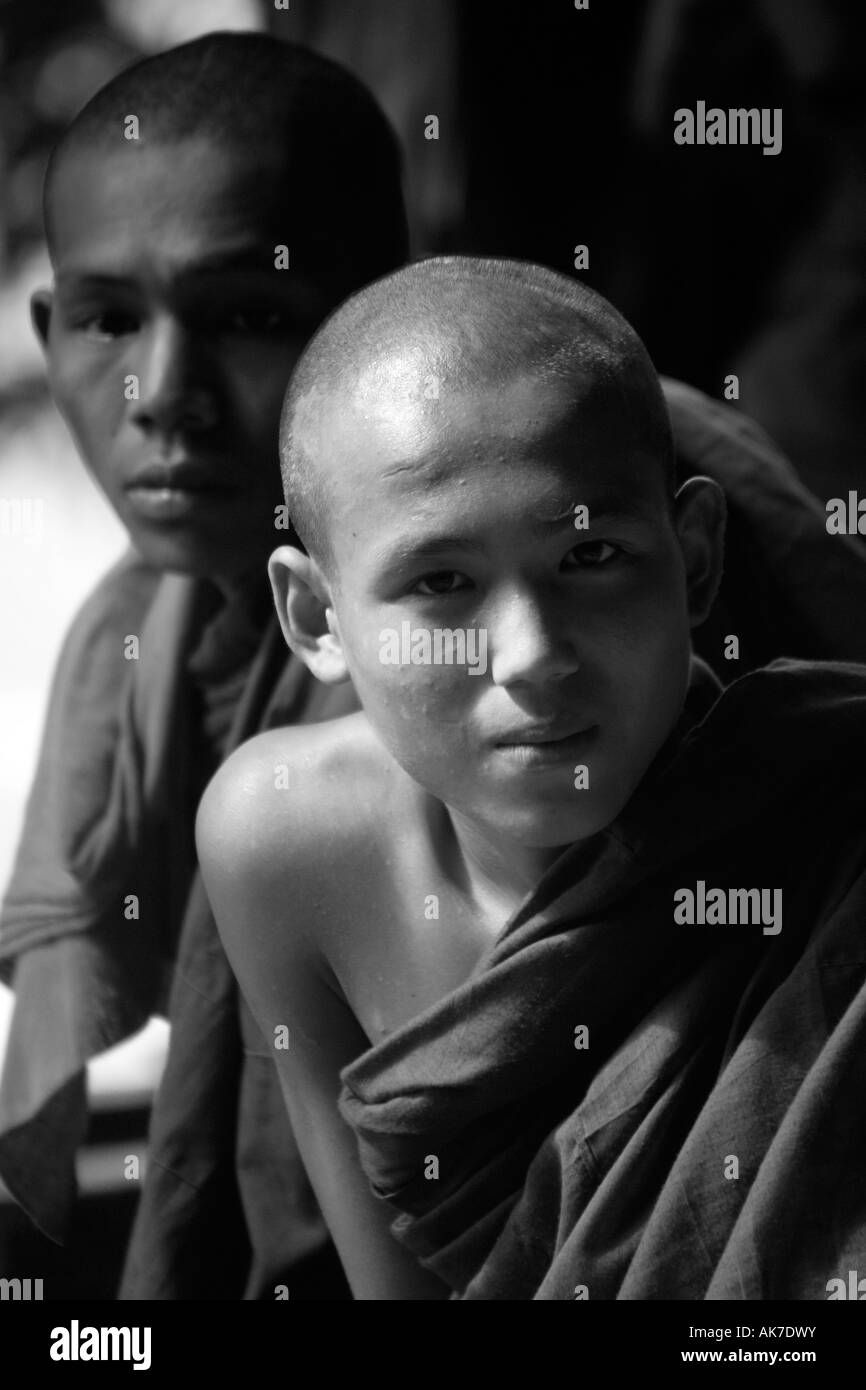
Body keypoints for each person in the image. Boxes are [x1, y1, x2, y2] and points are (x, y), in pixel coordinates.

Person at [199, 256, 866, 1299]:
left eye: (590, 556)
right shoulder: (283, 843)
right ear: (317, 619)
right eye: (441, 582)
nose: (531, 656)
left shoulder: (832, 820)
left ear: (691, 561)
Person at [0, 30, 408, 1300]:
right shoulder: (146, 631)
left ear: (378, 315)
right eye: (109, 319)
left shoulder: (524, 596)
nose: (161, 394)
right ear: (46, 325)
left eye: (243, 315)